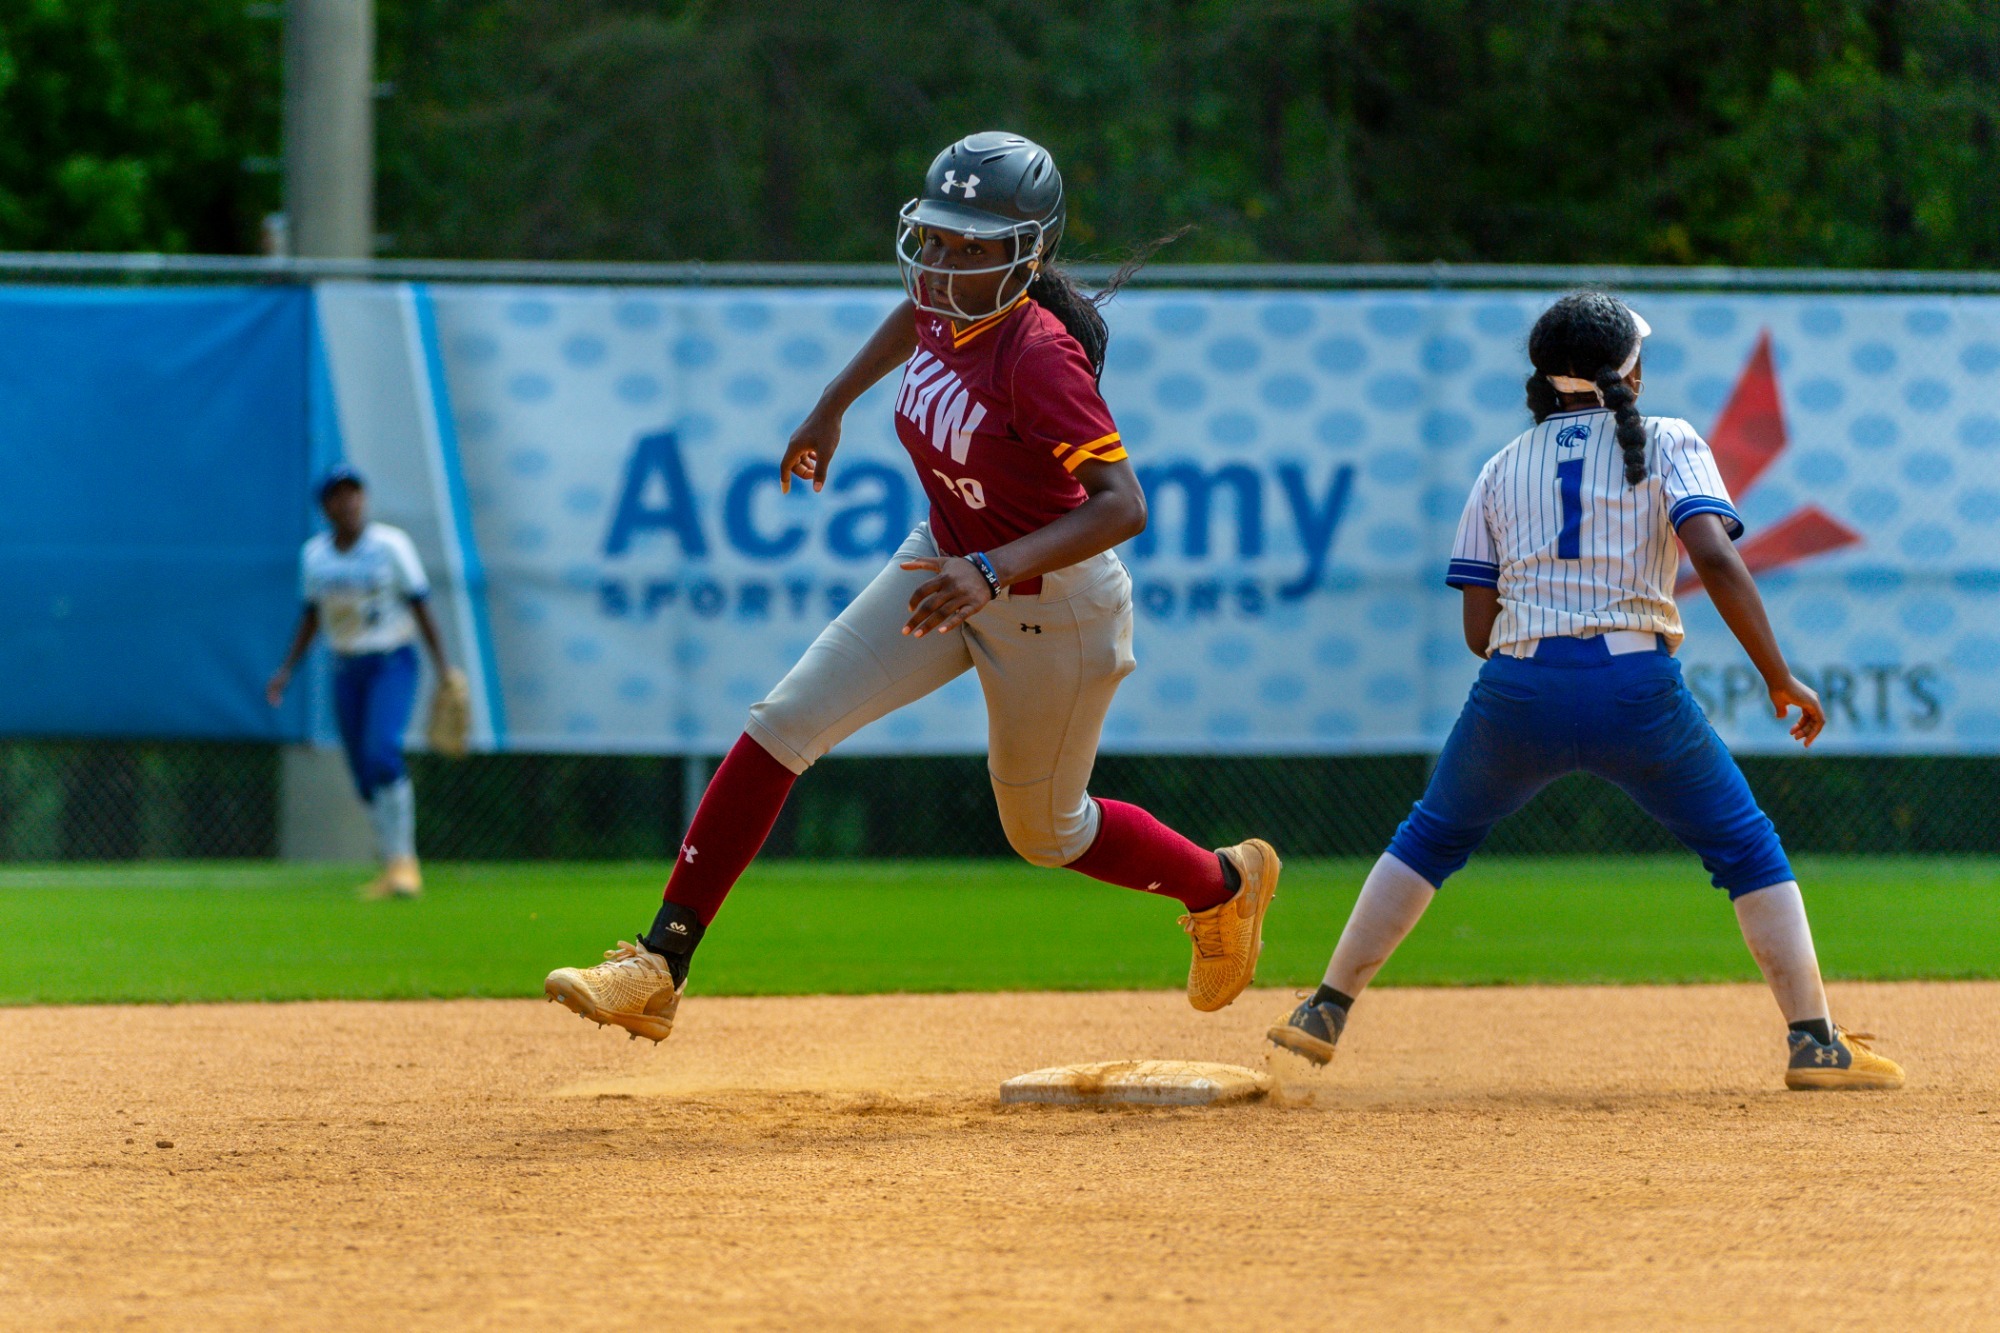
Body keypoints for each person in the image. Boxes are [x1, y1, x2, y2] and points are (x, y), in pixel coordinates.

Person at [544, 131, 1280, 1043]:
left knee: (1047, 833)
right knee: (782, 724)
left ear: (1027, 255)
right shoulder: (948, 298)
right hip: (944, 563)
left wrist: (991, 571)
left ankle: (1226, 885)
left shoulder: (1038, 355)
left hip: (1053, 603)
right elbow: (913, 318)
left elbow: (1123, 504)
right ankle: (660, 963)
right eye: (935, 237)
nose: (940, 264)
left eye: (971, 247)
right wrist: (832, 402)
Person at [1268, 291, 1904, 1092]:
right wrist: (1777, 675)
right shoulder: (1669, 439)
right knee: (1746, 847)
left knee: (1429, 837)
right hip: (1635, 686)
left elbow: (1477, 629)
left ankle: (1325, 1007)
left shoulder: (1502, 465)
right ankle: (1814, 1042)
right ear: (1629, 366)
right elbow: (1713, 556)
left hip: (1517, 687)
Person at [268, 465, 460, 900]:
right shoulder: (315, 555)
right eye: (339, 494)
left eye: (355, 492)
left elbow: (420, 605)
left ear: (364, 499)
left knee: (382, 750)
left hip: (391, 660)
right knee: (361, 772)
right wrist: (286, 670)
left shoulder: (390, 545)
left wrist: (443, 667)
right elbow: (312, 615)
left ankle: (404, 863)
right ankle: (391, 864)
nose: (349, 501)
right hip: (346, 665)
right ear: (326, 506)